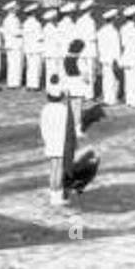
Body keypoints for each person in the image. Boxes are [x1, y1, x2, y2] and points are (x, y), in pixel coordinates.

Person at [40, 72, 76, 207]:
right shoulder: (64, 109)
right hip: (60, 141)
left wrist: (47, 140)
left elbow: (43, 127)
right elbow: (68, 128)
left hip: (51, 141)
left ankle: (52, 194)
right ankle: (57, 196)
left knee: (53, 167)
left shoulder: (45, 109)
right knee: (59, 168)